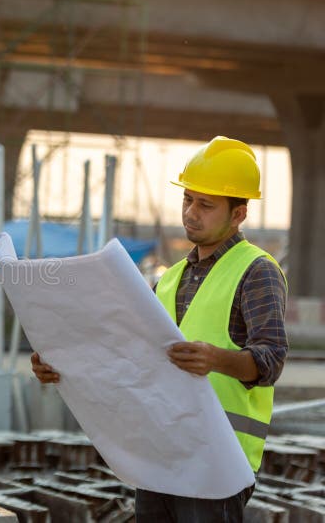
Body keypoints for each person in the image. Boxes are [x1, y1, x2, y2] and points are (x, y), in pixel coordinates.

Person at [31, 136, 288, 522]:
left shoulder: (257, 271)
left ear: (239, 214)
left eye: (206, 204)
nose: (191, 212)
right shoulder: (168, 281)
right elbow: (125, 350)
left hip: (217, 462)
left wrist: (215, 360)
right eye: (188, 200)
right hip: (160, 455)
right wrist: (61, 363)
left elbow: (271, 360)